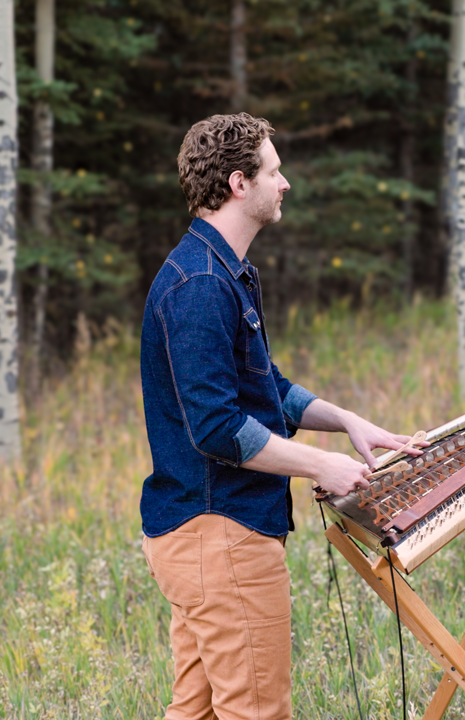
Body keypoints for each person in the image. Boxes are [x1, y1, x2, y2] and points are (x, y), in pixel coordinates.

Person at [138, 112, 421, 720]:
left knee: (199, 713)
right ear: (240, 183)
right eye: (274, 169)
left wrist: (345, 420)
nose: (284, 182)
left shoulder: (223, 273)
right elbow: (217, 428)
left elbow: (267, 389)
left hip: (204, 537)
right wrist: (323, 464)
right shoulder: (200, 286)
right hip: (221, 536)